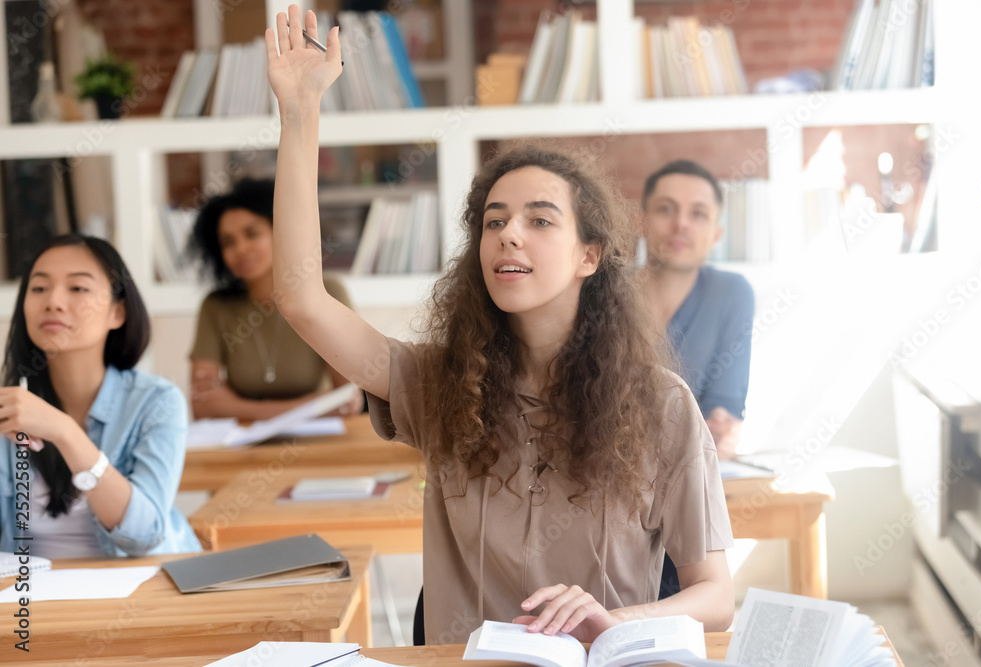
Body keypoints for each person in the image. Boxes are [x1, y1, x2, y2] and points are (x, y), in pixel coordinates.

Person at [264, 5, 734, 646]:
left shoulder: (663, 407)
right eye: (494, 220)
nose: (508, 233)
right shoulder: (439, 383)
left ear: (588, 256)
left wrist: (613, 622)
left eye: (540, 220)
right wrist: (300, 113)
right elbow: (300, 298)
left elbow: (716, 596)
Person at [0, 234, 201, 558]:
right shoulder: (9, 407)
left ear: (117, 313)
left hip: (139, 597)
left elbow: (143, 535)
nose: (54, 301)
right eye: (38, 288)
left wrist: (64, 432)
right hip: (28, 601)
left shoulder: (157, 402)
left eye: (78, 288)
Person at [187, 177, 363, 420]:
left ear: (280, 232)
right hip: (241, 447)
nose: (240, 249)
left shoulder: (327, 292)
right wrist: (309, 407)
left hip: (316, 443)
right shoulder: (215, 306)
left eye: (251, 233)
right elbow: (203, 405)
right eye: (228, 242)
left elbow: (348, 398)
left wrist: (238, 408)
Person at [638, 160, 755, 462]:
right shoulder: (602, 293)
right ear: (642, 222)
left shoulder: (732, 294)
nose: (681, 224)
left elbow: (724, 409)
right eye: (665, 209)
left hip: (691, 473)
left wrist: (722, 426)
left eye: (698, 214)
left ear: (716, 235)